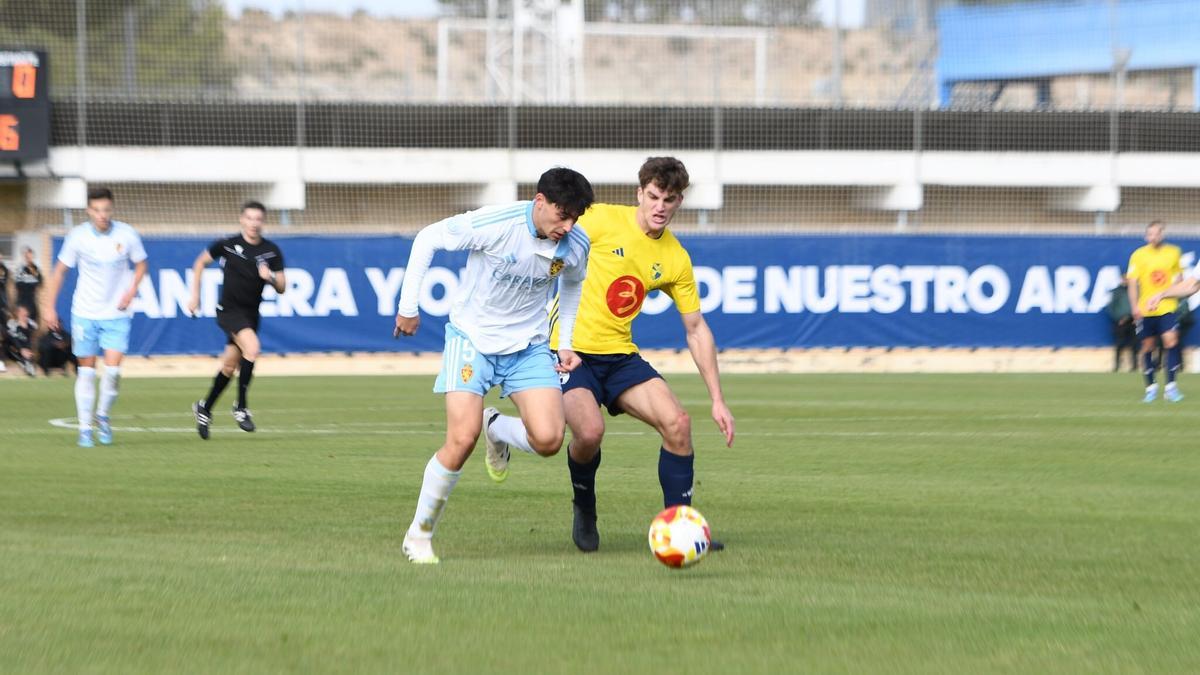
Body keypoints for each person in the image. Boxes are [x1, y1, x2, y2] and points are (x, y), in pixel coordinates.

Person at [483, 157, 735, 553]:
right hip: (567, 350)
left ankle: (681, 528)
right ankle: (584, 508)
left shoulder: (675, 258)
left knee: (679, 424)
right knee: (589, 433)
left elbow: (696, 328)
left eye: (669, 199)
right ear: (639, 193)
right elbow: (546, 231)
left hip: (619, 356)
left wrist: (718, 400)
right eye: (653, 196)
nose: (659, 206)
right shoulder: (599, 220)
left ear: (679, 201)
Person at [394, 167, 595, 564]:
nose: (567, 226)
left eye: (575, 218)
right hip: (473, 341)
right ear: (540, 202)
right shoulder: (495, 223)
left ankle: (497, 427)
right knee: (461, 440)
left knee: (550, 440)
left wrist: (566, 342)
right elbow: (427, 238)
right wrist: (408, 306)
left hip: (530, 347)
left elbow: (572, 285)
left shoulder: (575, 244)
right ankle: (419, 534)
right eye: (562, 215)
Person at [42, 187, 148, 447]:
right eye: (97, 210)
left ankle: (102, 415)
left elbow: (142, 264)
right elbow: (59, 272)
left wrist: (131, 291)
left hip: (116, 313)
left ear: (111, 210)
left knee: (112, 372)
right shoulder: (78, 237)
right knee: (87, 373)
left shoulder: (126, 234)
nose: (102, 215)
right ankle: (84, 428)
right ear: (89, 210)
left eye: (106, 210)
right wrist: (49, 306)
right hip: (85, 313)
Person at [187, 201, 286, 439]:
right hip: (228, 310)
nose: (253, 223)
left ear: (263, 222)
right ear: (242, 219)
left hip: (251, 314)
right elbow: (200, 262)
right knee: (252, 348)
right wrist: (195, 295)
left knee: (230, 366)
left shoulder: (271, 251)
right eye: (249, 218)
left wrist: (270, 276)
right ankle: (241, 407)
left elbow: (282, 287)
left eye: (258, 219)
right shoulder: (227, 245)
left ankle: (205, 407)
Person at [1127, 220, 1183, 403]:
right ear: (1146, 236)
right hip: (1146, 308)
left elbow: (1178, 278)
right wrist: (1135, 306)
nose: (1153, 237)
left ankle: (1171, 387)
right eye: (1150, 234)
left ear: (1162, 234)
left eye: (1157, 233)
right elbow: (1133, 282)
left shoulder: (1173, 252)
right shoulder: (1138, 255)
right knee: (1148, 347)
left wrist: (1172, 292)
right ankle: (1151, 387)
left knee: (1171, 340)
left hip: (1167, 306)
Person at [1106, 280, 1136, 372]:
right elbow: (1110, 307)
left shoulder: (1136, 290)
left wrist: (1136, 317)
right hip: (1120, 322)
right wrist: (1118, 318)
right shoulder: (1117, 291)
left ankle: (1134, 366)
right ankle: (1117, 365)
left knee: (1134, 345)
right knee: (1119, 344)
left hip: (1133, 321)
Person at [5, 304, 37, 376]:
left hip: (28, 348)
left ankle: (28, 364)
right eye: (21, 312)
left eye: (25, 312)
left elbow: (33, 338)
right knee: (8, 343)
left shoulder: (32, 324)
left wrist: (30, 350)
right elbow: (12, 338)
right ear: (17, 314)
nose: (24, 314)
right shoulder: (12, 324)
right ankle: (22, 361)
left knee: (29, 355)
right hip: (16, 348)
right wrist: (21, 349)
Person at [14, 246, 42, 320]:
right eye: (27, 256)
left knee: (34, 320)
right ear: (24, 257)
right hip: (22, 300)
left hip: (32, 300)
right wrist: (32, 281)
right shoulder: (20, 269)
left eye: (30, 256)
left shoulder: (36, 268)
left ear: (33, 256)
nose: (29, 258)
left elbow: (40, 282)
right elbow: (18, 285)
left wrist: (28, 280)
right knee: (23, 322)